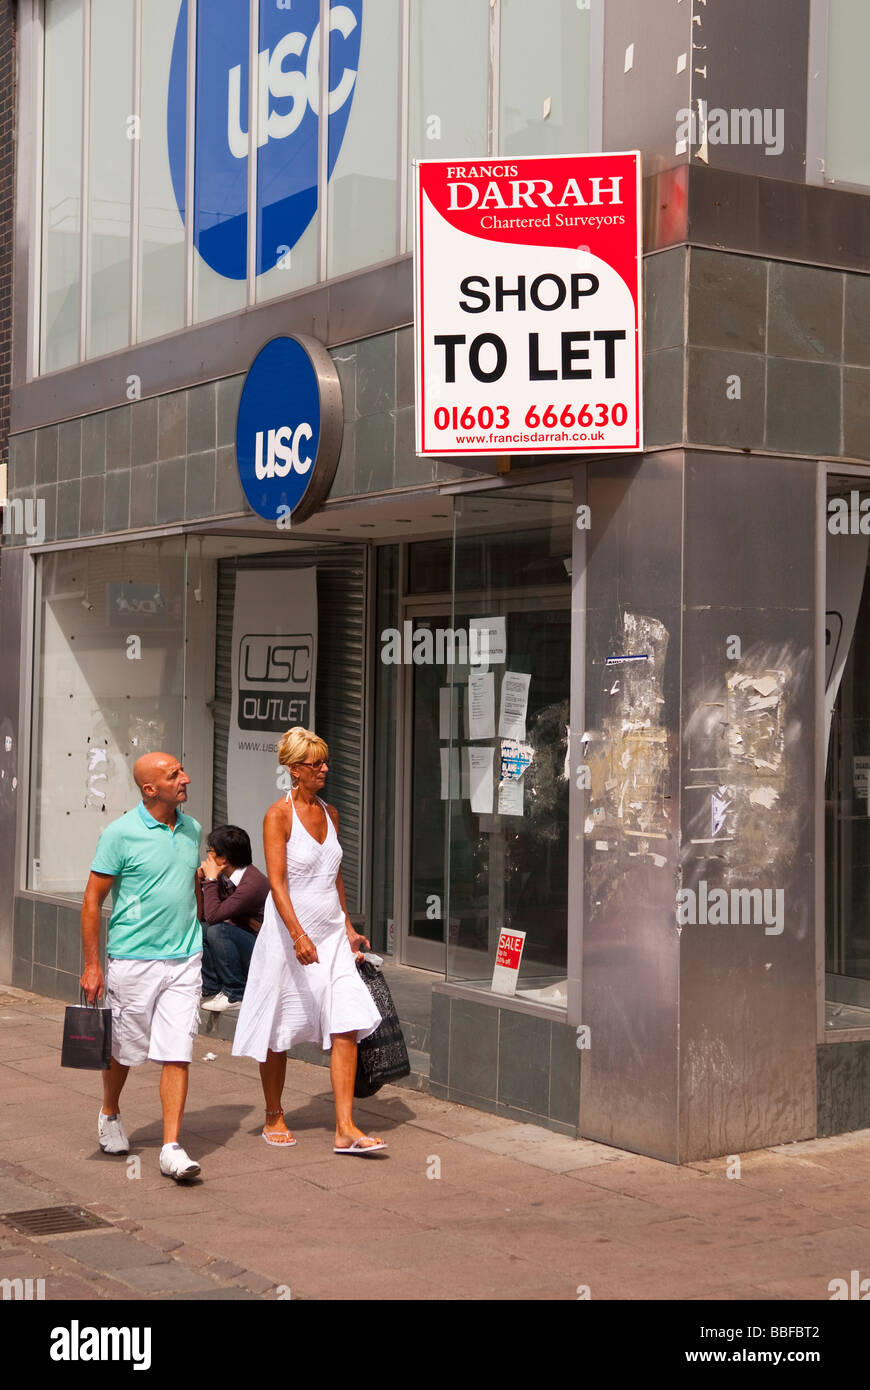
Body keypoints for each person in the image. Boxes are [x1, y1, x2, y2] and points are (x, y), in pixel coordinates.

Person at [232, 727, 387, 1154]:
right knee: (279, 1027)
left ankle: (344, 1126)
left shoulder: (330, 812)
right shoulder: (277, 816)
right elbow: (277, 883)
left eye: (325, 761)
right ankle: (273, 1113)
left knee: (347, 1023)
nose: (324, 768)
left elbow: (334, 875)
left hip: (333, 936)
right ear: (294, 769)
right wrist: (297, 933)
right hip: (288, 934)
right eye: (315, 763)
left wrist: (349, 926)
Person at [79, 752, 203, 1182]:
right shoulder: (120, 834)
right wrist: (93, 964)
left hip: (185, 959)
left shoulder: (192, 829)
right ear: (150, 789)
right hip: (132, 961)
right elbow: (92, 900)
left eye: (181, 771)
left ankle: (171, 1147)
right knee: (124, 1052)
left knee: (178, 1050)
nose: (185, 778)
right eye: (174, 775)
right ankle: (110, 1111)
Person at [196, 824, 269, 1013]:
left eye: (210, 851)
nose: (207, 857)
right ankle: (212, 988)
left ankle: (235, 993)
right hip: (243, 940)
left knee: (217, 931)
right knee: (198, 930)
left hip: (264, 950)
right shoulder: (225, 876)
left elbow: (213, 917)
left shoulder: (252, 883)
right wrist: (199, 881)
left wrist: (210, 881)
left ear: (224, 858)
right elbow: (203, 916)